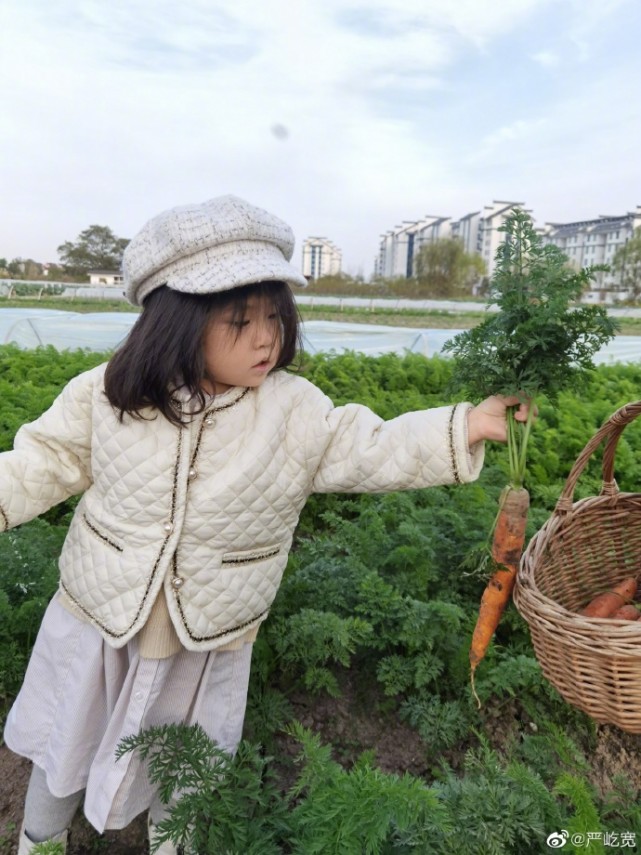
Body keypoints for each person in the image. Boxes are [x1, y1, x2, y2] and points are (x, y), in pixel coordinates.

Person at [2, 195, 531, 855]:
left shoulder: (293, 410)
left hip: (210, 634)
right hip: (100, 618)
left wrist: (465, 425)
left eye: (274, 318)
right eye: (241, 321)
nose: (265, 339)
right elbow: (41, 461)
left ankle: (172, 842)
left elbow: (371, 447)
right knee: (65, 738)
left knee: (182, 761)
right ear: (175, 321)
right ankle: (41, 841)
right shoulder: (108, 393)